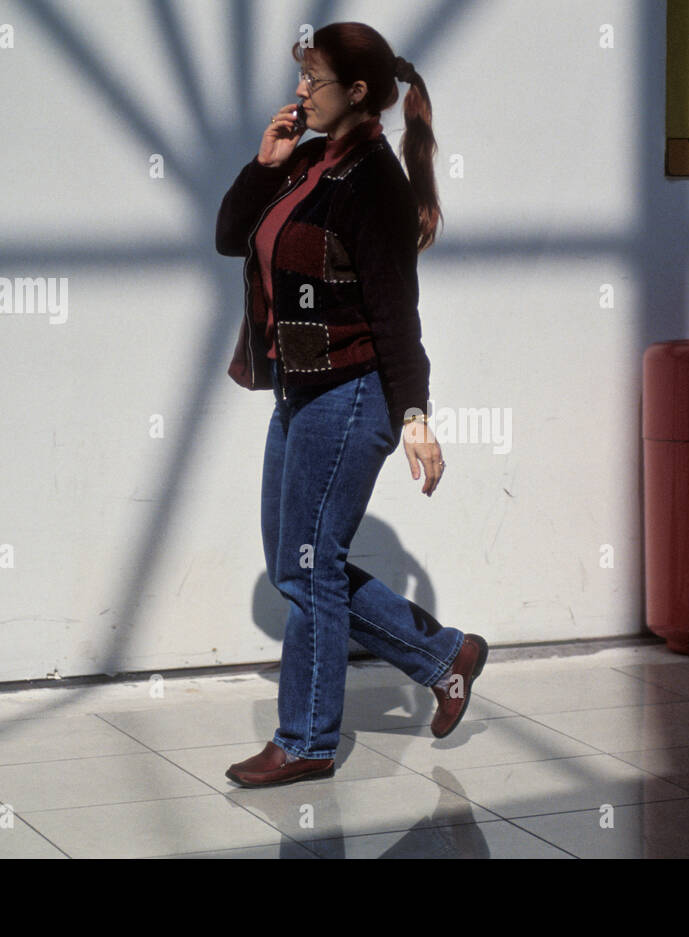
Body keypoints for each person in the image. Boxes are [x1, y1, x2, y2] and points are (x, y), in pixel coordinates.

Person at [215, 22, 487, 788]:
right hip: (302, 390)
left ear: (358, 94)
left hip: (353, 390)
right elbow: (231, 236)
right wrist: (263, 164)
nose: (302, 90)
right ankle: (446, 655)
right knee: (298, 564)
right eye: (302, 76)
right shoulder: (305, 163)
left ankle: (305, 739)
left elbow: (397, 313)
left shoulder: (376, 185)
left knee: (307, 570)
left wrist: (415, 416)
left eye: (315, 80)